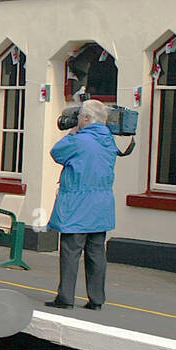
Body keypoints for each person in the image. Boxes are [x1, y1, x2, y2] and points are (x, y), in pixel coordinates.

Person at [45, 99, 118, 310]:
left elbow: (57, 152)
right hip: (102, 206)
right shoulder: (109, 141)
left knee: (70, 252)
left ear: (86, 118)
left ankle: (65, 298)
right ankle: (96, 299)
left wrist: (72, 133)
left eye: (79, 116)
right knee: (96, 253)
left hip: (78, 205)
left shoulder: (79, 141)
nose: (76, 119)